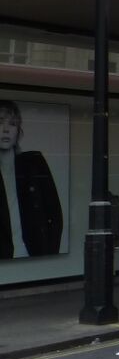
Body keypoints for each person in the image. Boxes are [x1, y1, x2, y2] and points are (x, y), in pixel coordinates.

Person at [0, 100, 64, 260]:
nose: (6, 129)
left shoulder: (33, 163)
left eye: (13, 124)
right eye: (0, 122)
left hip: (32, 256)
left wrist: (49, 256)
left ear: (18, 131)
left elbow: (55, 215)